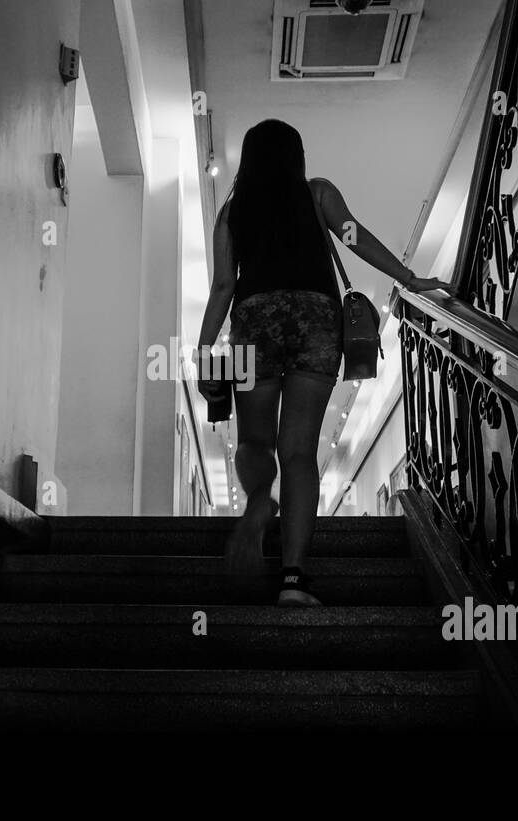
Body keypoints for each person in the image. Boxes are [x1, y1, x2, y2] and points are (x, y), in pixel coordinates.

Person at [196, 119, 445, 606]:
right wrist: (409, 279)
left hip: (253, 326)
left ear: (247, 161)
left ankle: (256, 503)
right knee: (298, 452)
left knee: (252, 440)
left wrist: (204, 352)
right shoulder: (318, 193)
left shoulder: (231, 212)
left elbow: (223, 286)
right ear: (297, 157)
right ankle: (293, 580)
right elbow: (355, 238)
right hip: (315, 321)